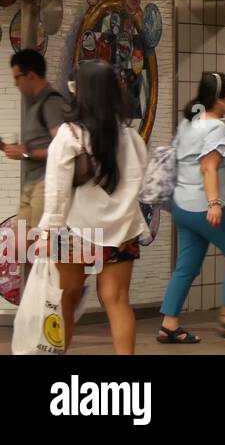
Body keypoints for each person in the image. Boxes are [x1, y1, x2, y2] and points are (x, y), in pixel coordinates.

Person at [36, 59, 148, 354]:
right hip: (123, 231)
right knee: (117, 301)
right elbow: (141, 182)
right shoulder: (131, 136)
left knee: (66, 301)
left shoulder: (69, 135)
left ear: (80, 92)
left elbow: (57, 191)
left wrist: (47, 232)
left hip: (77, 231)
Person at [159, 72, 225, 343]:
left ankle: (169, 324)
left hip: (182, 205)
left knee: (187, 265)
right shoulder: (215, 127)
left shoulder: (188, 124)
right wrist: (214, 204)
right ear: (221, 98)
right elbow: (208, 166)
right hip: (205, 206)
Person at [5, 49, 69, 287]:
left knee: (40, 251)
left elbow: (62, 147)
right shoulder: (34, 105)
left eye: (17, 77)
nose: (15, 84)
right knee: (21, 247)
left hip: (46, 185)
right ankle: (36, 306)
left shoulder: (52, 103)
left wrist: (26, 153)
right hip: (31, 185)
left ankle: (50, 305)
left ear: (30, 75)